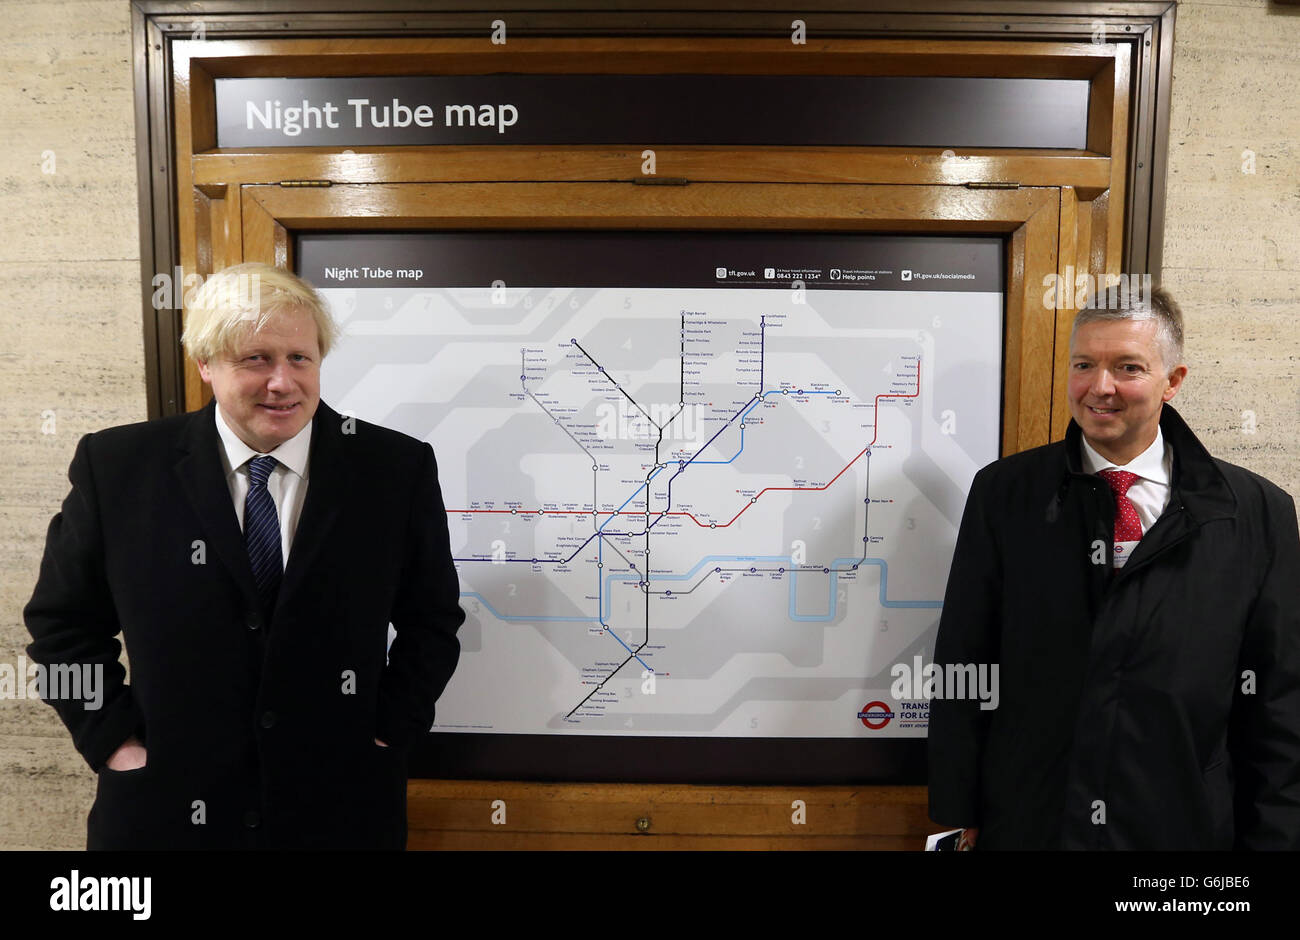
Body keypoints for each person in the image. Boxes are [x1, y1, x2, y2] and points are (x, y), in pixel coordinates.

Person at [24, 263, 465, 849]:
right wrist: (113, 742)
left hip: (340, 811)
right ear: (205, 364)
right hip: (166, 815)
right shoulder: (120, 468)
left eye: (300, 359)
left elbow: (432, 622)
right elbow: (61, 627)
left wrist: (389, 730)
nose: (282, 382)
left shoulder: (394, 469)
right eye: (255, 359)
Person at [927, 286, 1300, 850]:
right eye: (1084, 364)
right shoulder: (1006, 494)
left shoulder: (1256, 512)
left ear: (1173, 381)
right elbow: (965, 657)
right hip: (1033, 821)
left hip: (1182, 832)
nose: (1100, 388)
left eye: (1127, 367)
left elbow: (1278, 701)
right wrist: (958, 811)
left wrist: (1275, 840)